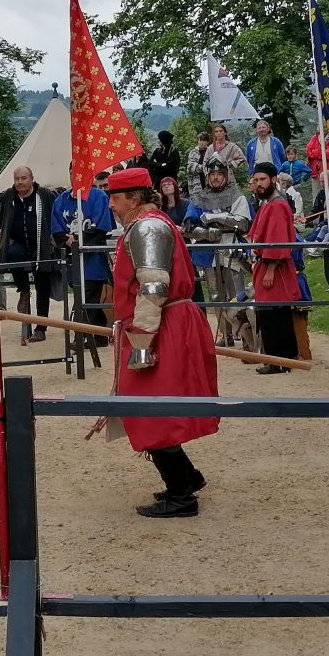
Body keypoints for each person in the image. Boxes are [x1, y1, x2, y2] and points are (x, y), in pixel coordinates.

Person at [97, 167, 219, 518]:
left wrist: (142, 341)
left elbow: (153, 287)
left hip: (162, 325)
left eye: (115, 198)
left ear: (134, 198)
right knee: (155, 406)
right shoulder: (148, 223)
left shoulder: (148, 226)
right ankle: (186, 478)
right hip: (164, 322)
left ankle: (182, 496)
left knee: (152, 409)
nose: (111, 206)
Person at [245, 162, 305, 373]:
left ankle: (279, 361)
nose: (259, 184)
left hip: (275, 269)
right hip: (267, 266)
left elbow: (278, 241)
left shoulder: (277, 205)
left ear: (273, 180)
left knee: (274, 314)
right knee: (272, 313)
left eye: (262, 179)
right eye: (256, 180)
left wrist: (270, 268)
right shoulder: (268, 203)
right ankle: (283, 359)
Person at [185, 161, 252, 348]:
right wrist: (206, 233)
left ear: (225, 176)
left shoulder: (237, 197)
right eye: (212, 175)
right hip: (210, 250)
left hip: (232, 248)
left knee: (238, 294)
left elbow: (244, 224)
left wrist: (216, 218)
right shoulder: (199, 198)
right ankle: (226, 334)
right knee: (216, 296)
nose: (215, 178)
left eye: (219, 174)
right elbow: (189, 227)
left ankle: (247, 337)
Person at [0, 166, 57, 338]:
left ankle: (41, 328)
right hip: (19, 243)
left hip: (41, 245)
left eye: (23, 178)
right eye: (17, 179)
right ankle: (23, 290)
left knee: (42, 284)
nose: (20, 182)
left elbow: (54, 215)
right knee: (13, 255)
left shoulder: (44, 195)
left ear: (31, 178)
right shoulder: (7, 196)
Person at [52, 173, 115, 333]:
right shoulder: (61, 200)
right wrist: (68, 240)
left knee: (87, 296)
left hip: (93, 258)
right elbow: (57, 229)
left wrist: (80, 239)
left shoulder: (99, 196)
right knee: (86, 298)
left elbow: (102, 227)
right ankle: (99, 334)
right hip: (72, 257)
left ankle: (81, 335)